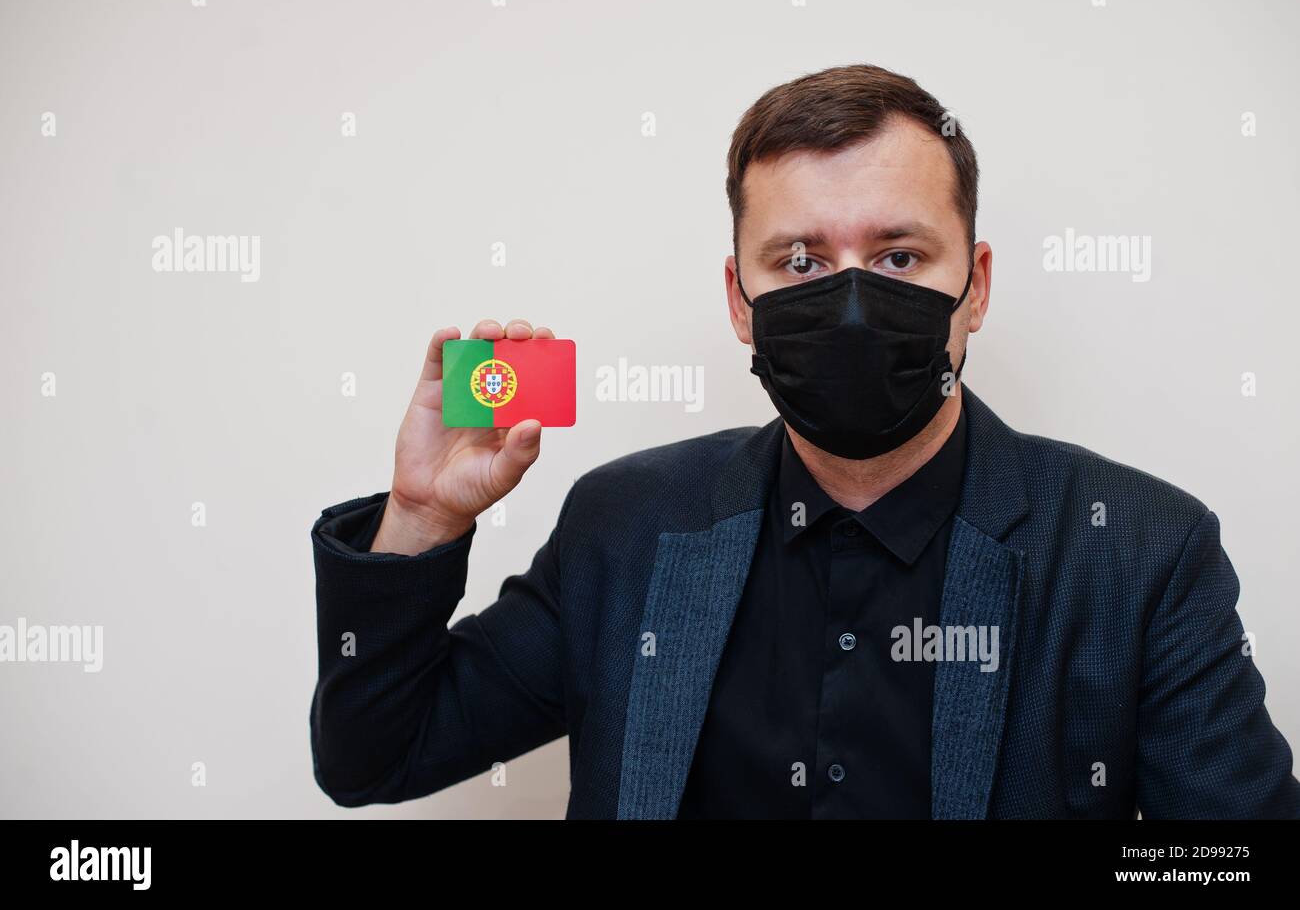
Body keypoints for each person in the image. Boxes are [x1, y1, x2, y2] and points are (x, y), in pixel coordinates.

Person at [308, 64, 1300, 819]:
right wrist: (420, 518)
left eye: (898, 254)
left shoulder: (1136, 553)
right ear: (739, 301)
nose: (854, 302)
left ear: (976, 286)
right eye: (801, 259)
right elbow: (374, 757)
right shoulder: (626, 526)